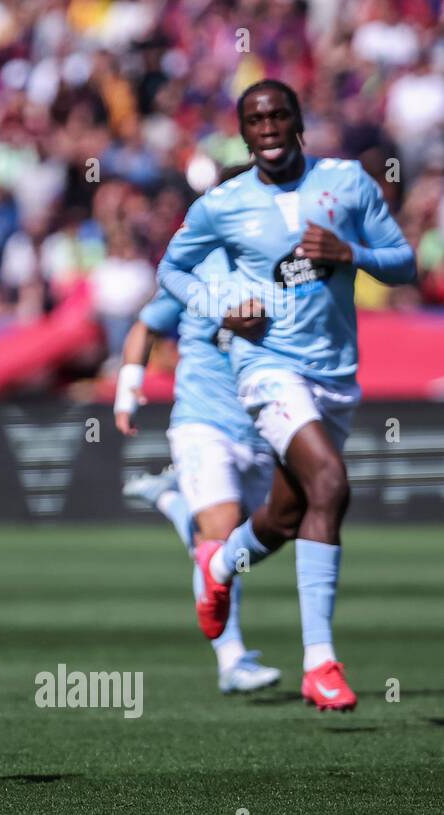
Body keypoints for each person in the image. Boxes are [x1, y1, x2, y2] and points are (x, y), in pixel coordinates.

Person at [157, 80, 416, 711]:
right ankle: (319, 662)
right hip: (266, 367)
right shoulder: (223, 204)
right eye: (255, 119)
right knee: (330, 482)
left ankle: (219, 570)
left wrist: (351, 251)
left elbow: (405, 262)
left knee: (284, 516)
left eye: (278, 115)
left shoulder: (349, 183)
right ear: (243, 134)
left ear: (298, 121)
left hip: (335, 376)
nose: (268, 127)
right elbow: (171, 270)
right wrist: (221, 306)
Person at [116, 241, 281, 693]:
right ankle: (232, 660)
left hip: (260, 429)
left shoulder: (282, 264)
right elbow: (146, 327)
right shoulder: (196, 273)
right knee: (222, 538)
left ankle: (170, 499)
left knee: (243, 548)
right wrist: (127, 390)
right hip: (203, 421)